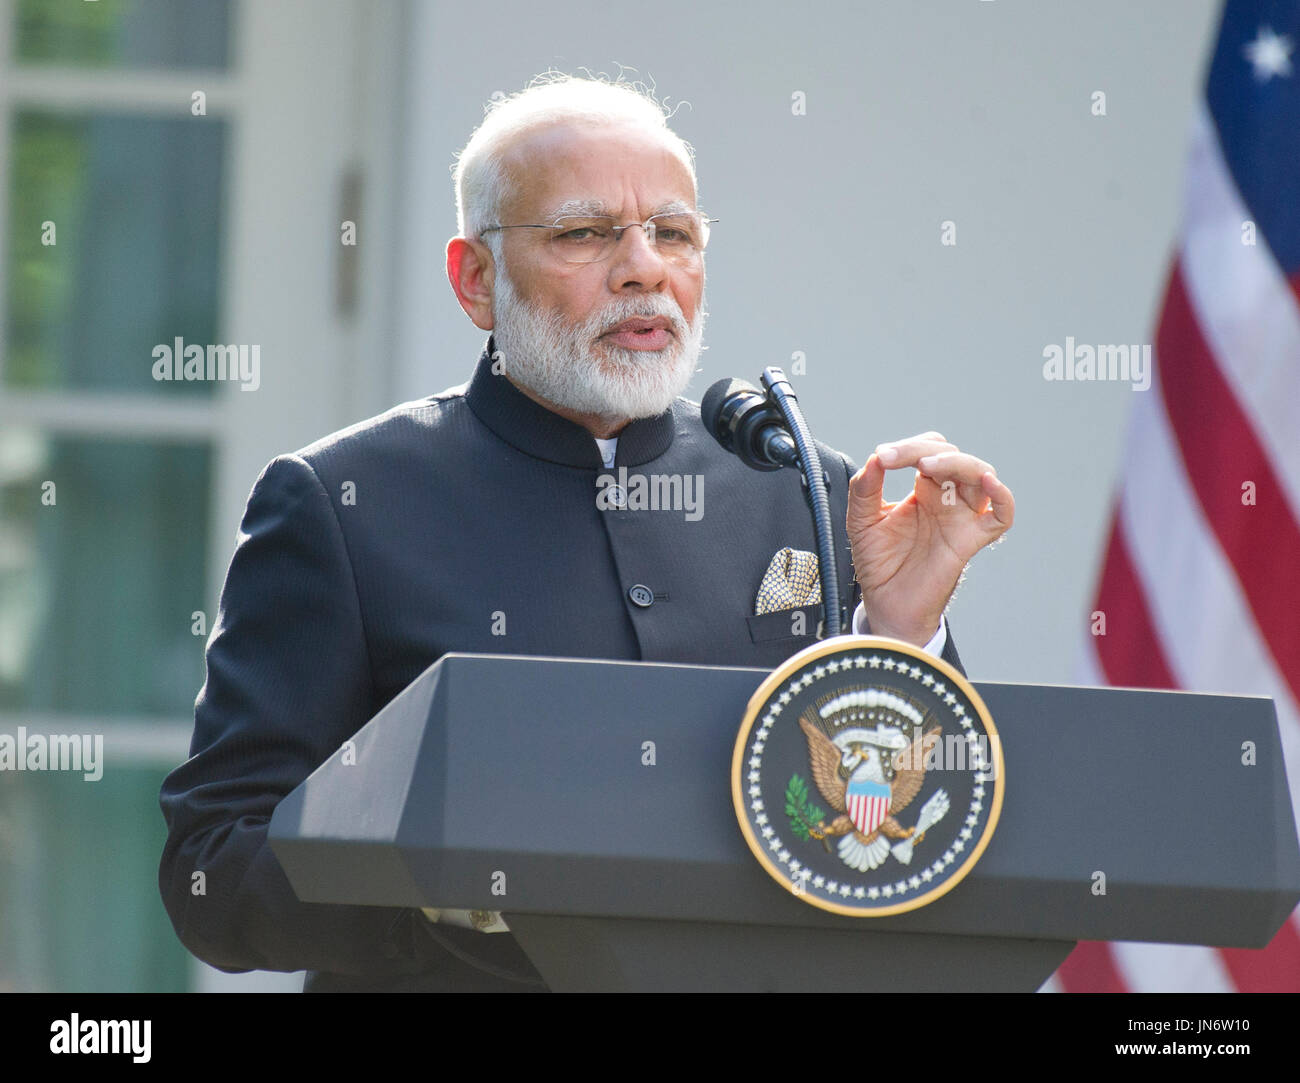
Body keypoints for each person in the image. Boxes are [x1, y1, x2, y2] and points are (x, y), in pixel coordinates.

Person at [158, 73, 1014, 992]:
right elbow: (214, 870)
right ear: (476, 278)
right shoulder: (339, 500)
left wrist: (903, 631)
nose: (644, 266)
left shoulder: (804, 487)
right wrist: (442, 895)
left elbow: (915, 848)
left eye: (674, 234)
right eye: (584, 232)